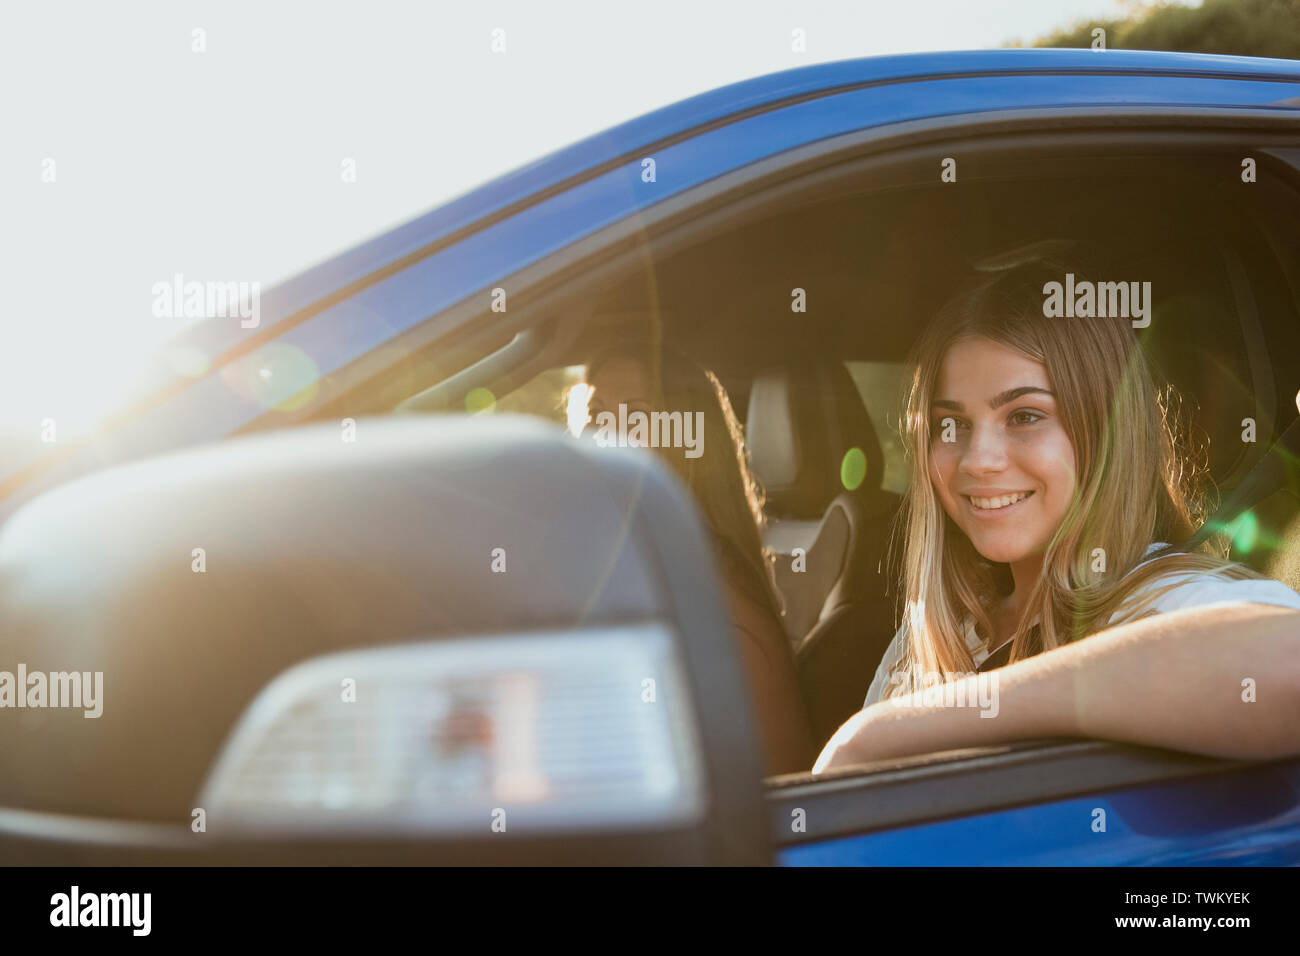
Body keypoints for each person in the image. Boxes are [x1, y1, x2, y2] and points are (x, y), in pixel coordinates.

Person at [814, 254, 1300, 773]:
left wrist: (884, 732)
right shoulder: (932, 636)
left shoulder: (1171, 601)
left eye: (1024, 416)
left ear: (1107, 435)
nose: (979, 459)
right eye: (949, 424)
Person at [575, 343, 814, 775]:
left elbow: (779, 793)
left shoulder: (720, 611)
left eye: (635, 413)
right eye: (593, 412)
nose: (603, 431)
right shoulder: (632, 567)